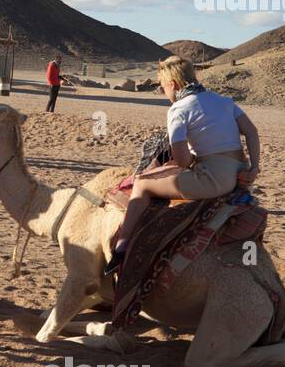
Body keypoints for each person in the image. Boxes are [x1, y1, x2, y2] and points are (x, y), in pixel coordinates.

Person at [105, 56, 260, 274]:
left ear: (173, 84)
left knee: (141, 183)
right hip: (240, 174)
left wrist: (185, 162)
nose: (162, 92)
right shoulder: (224, 101)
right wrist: (254, 168)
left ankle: (121, 249)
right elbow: (252, 132)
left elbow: (181, 159)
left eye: (162, 86)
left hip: (214, 180)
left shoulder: (179, 109)